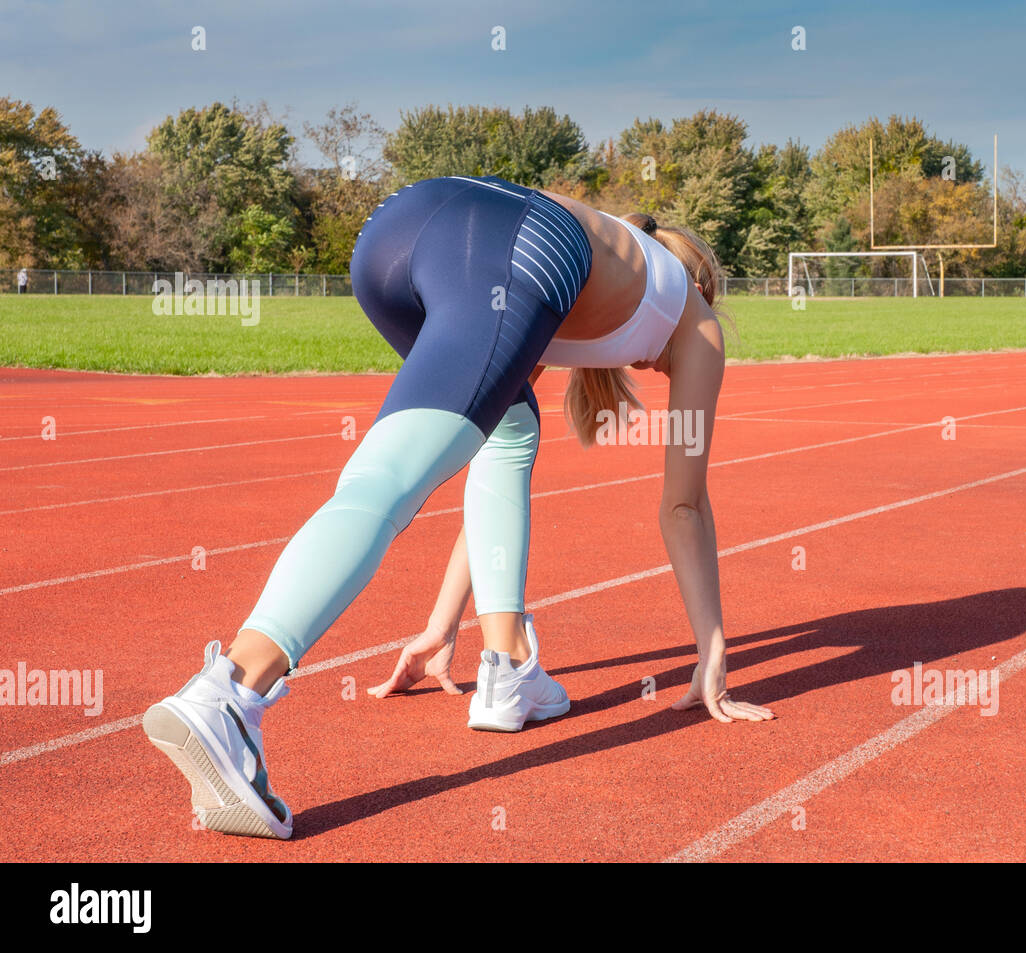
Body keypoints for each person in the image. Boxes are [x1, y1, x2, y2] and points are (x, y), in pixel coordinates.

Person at [144, 175, 773, 840]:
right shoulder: (693, 321)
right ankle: (231, 690)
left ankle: (506, 666)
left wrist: (441, 626)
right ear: (701, 283)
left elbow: (489, 460)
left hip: (396, 236)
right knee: (387, 481)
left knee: (507, 429)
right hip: (515, 240)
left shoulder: (579, 285)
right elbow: (684, 505)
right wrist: (713, 648)